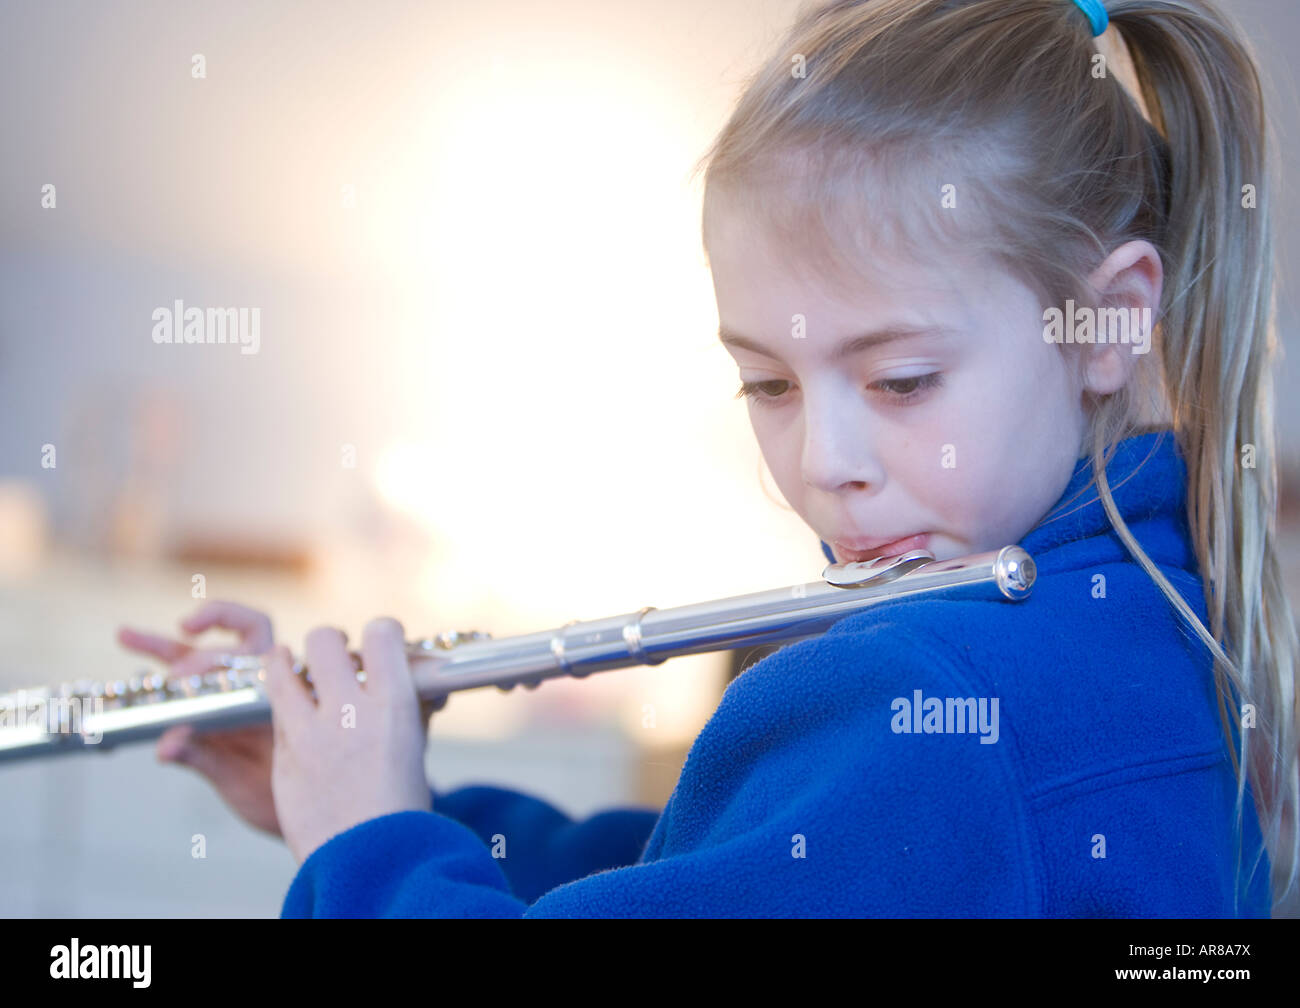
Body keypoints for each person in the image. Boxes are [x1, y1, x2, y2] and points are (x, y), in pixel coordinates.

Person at [118, 0, 1298, 916]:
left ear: (1107, 320)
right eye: (768, 384)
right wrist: (381, 798)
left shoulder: (927, 698)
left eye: (899, 381)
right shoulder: (1158, 612)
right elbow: (715, 873)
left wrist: (363, 851)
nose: (822, 462)